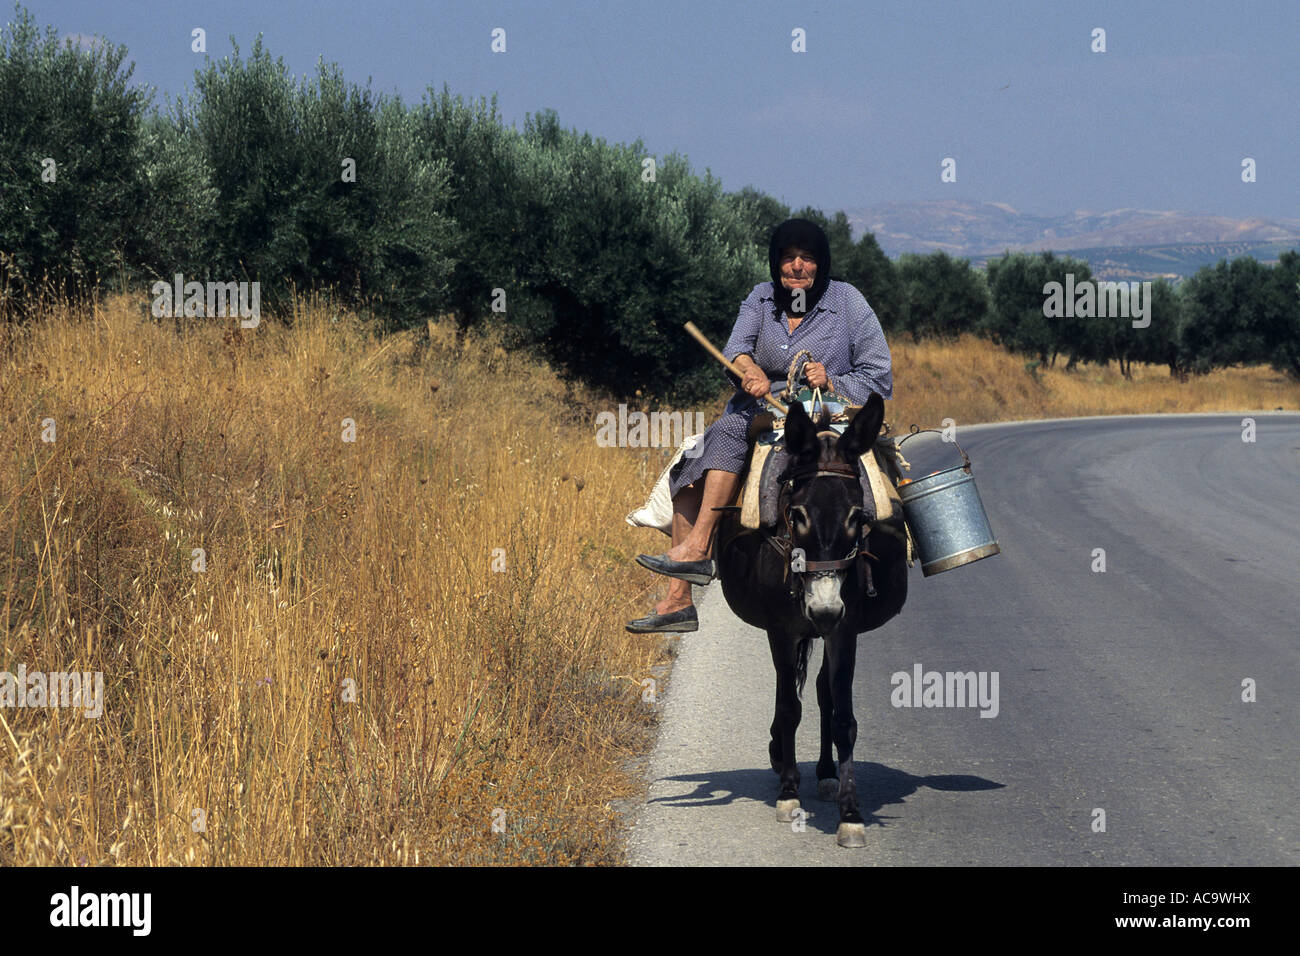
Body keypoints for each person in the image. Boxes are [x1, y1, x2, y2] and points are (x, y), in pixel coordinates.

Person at [626, 218, 894, 633]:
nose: (798, 267)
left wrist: (833, 380)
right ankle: (679, 598)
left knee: (731, 431)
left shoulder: (848, 303)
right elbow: (737, 349)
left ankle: (698, 548)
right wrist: (747, 369)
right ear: (776, 263)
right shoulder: (760, 298)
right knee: (691, 462)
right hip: (765, 410)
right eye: (788, 258)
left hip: (829, 417)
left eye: (807, 258)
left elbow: (878, 376)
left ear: (821, 263)